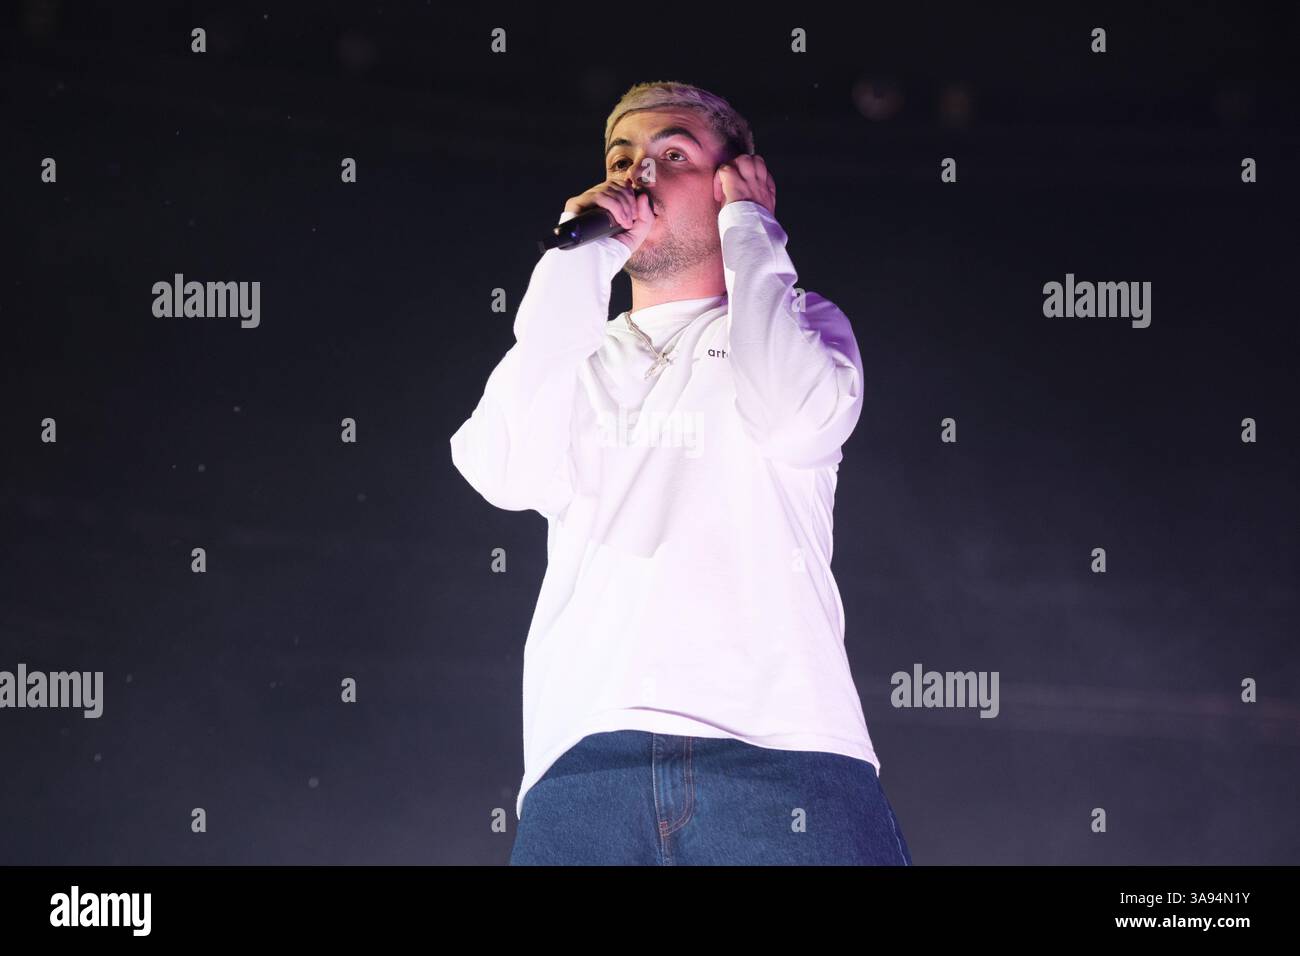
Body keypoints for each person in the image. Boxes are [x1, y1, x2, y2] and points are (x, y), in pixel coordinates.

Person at [449, 81, 912, 865]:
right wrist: (579, 258)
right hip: (585, 771)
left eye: (673, 154)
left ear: (733, 182)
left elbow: (792, 415)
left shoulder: (805, 323)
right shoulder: (577, 356)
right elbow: (502, 469)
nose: (639, 175)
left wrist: (752, 230)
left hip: (783, 758)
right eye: (621, 159)